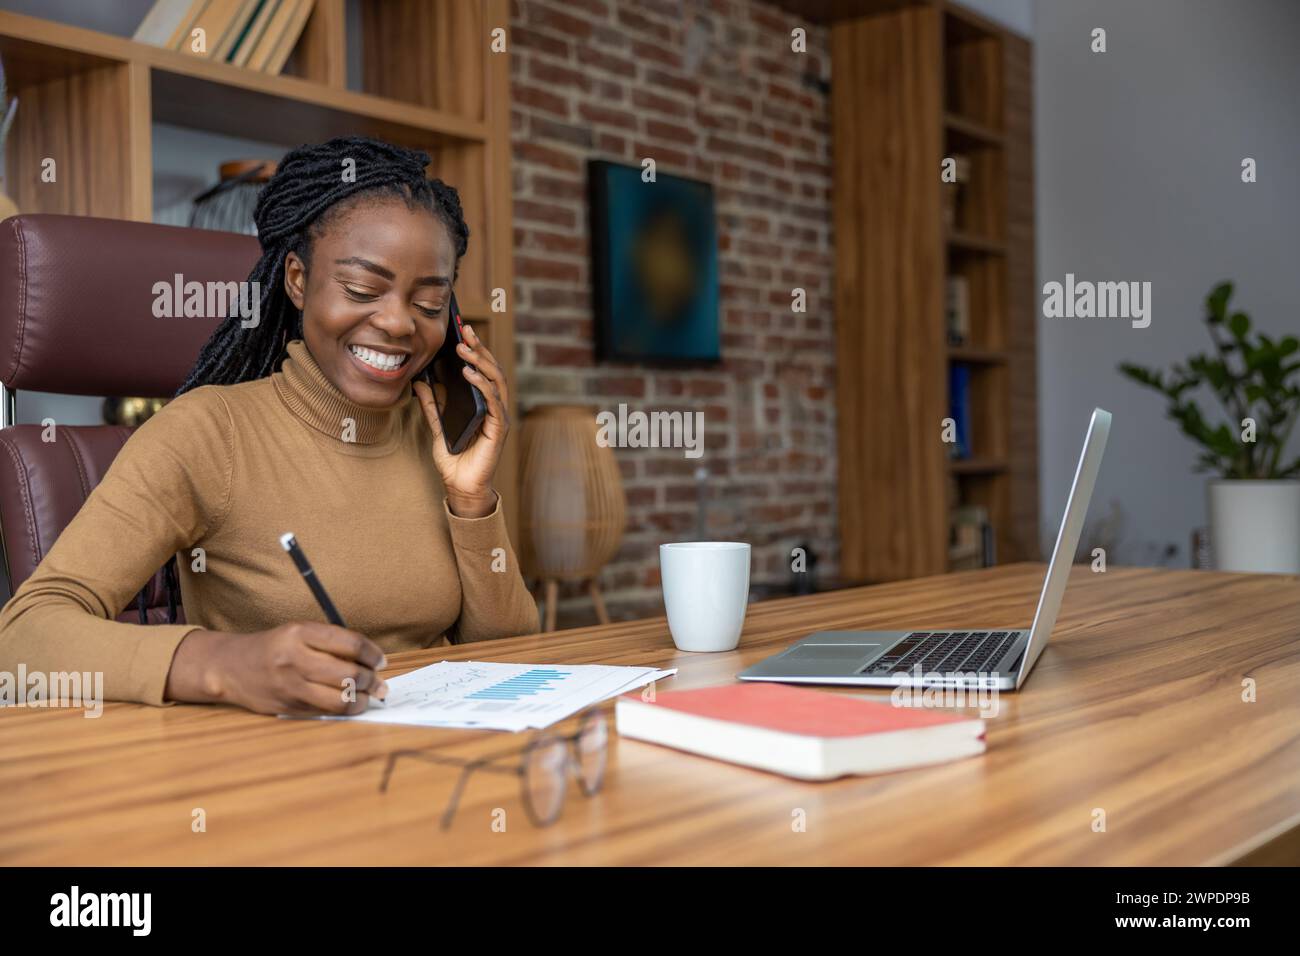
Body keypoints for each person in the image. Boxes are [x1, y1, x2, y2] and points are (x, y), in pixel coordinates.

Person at [0, 136, 539, 715]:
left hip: (432, 764)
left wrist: (471, 502)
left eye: (430, 305)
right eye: (362, 290)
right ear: (298, 279)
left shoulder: (435, 434)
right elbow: (22, 639)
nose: (399, 323)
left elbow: (510, 666)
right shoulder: (211, 431)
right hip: (271, 774)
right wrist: (227, 664)